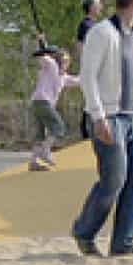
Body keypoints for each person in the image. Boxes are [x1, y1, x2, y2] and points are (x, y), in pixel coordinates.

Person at [71, 0, 133, 257]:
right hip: (111, 116)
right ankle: (84, 231)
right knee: (113, 180)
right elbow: (88, 76)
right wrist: (98, 115)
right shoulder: (102, 33)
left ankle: (124, 242)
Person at [28, 41, 78, 171]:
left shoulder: (63, 77)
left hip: (37, 103)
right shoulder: (51, 67)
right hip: (42, 102)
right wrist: (43, 46)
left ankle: (33, 162)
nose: (66, 64)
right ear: (58, 60)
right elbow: (41, 57)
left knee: (40, 134)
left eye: (68, 61)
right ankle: (45, 150)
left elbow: (79, 81)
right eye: (64, 60)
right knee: (58, 127)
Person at [74, 0, 103, 65]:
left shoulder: (95, 25)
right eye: (98, 4)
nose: (101, 7)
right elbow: (80, 46)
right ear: (91, 7)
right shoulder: (86, 25)